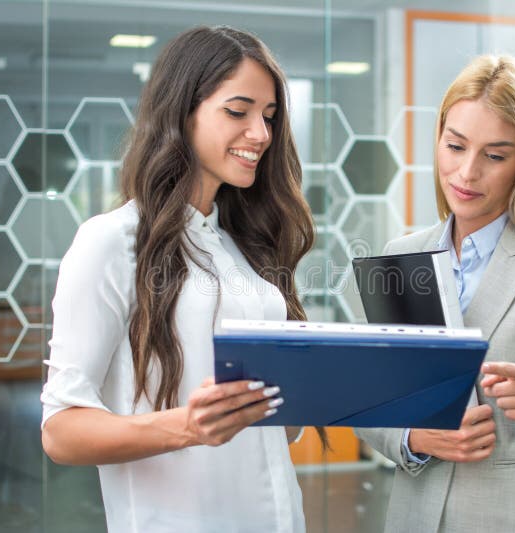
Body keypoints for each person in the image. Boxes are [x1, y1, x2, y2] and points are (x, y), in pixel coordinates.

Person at [40, 26, 314, 533]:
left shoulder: (247, 247)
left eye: (269, 116)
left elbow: (279, 424)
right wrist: (186, 427)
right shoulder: (111, 242)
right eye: (238, 111)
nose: (261, 134)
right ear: (181, 112)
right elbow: (61, 431)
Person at [356, 55, 515, 532]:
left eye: (494, 155)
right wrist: (415, 437)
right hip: (414, 516)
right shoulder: (400, 255)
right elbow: (373, 404)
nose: (466, 172)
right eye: (455, 146)